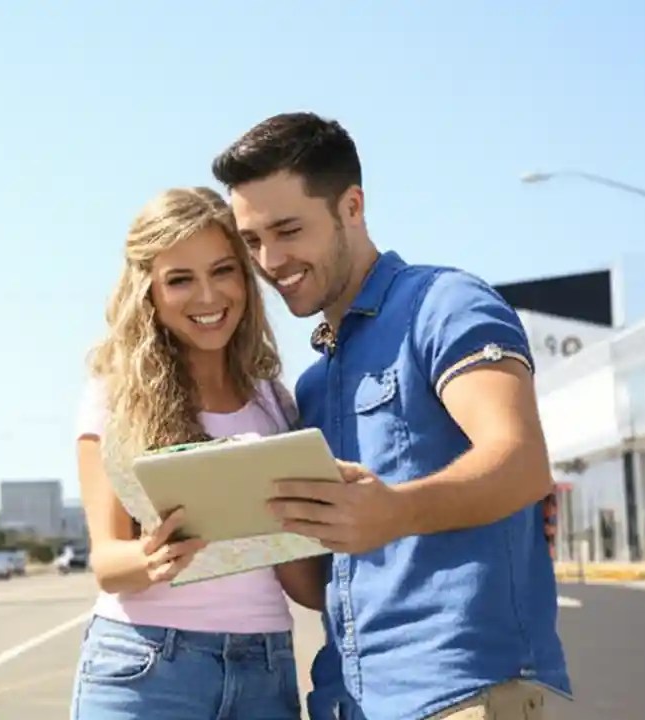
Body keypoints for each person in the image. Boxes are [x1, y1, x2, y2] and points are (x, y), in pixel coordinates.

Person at [209, 112, 572, 720]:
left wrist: (395, 512)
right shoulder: (315, 383)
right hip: (344, 701)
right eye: (252, 241)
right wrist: (241, 520)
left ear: (351, 206)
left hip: (461, 693)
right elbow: (315, 582)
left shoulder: (444, 305)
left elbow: (522, 461)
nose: (270, 259)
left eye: (288, 229)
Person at [71, 186, 326, 719]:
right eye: (180, 280)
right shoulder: (115, 396)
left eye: (223, 271)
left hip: (264, 667)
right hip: (146, 668)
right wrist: (153, 557)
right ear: (150, 293)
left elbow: (305, 587)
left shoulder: (274, 402)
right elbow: (107, 563)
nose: (208, 297)